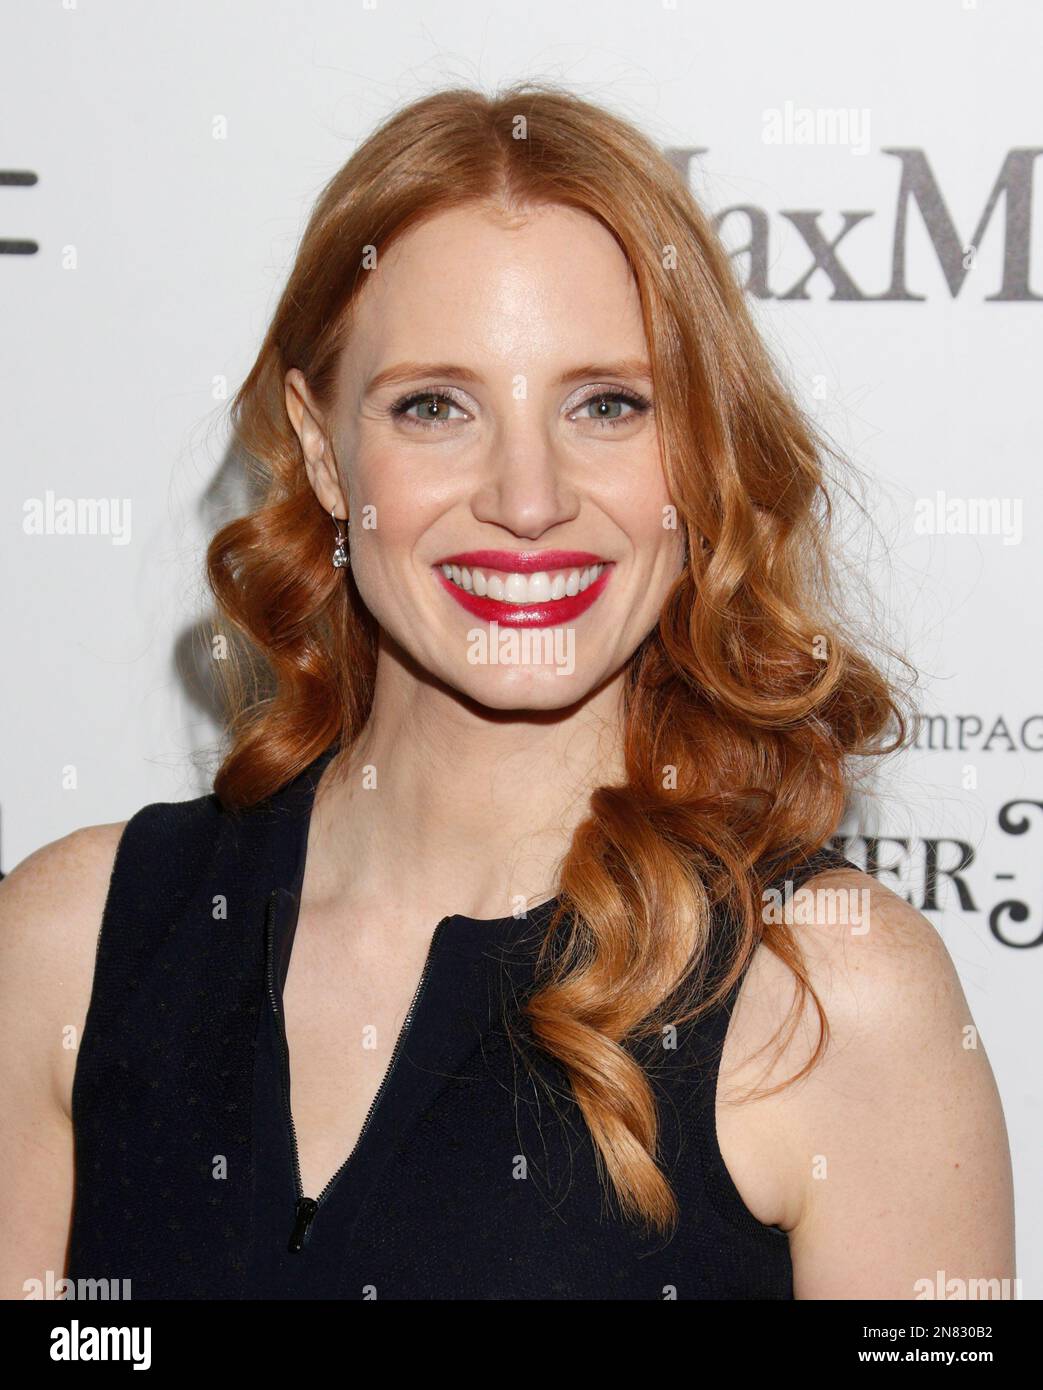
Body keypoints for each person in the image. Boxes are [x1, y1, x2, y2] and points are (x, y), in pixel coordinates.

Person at [0, 83, 1015, 1300]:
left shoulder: (830, 1003)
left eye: (608, 404)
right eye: (434, 406)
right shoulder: (72, 943)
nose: (526, 498)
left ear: (697, 452)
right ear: (322, 448)